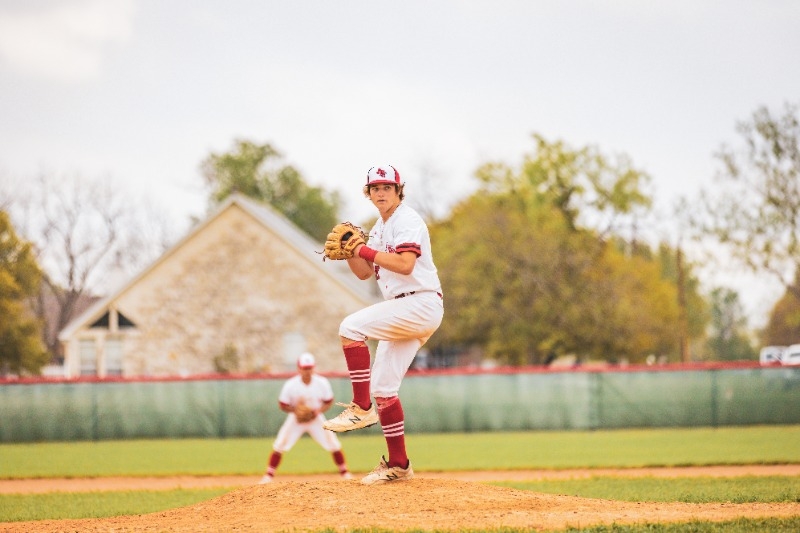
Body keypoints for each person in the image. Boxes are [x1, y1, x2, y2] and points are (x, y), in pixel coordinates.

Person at [323, 164, 444, 485]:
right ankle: (399, 465)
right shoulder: (378, 227)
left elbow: (405, 264)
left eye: (387, 187)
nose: (381, 192)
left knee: (351, 328)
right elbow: (364, 272)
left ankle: (361, 408)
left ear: (398, 190)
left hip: (420, 300)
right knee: (384, 390)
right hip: (404, 306)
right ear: (369, 193)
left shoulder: (407, 220)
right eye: (375, 188)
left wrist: (363, 248)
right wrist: (351, 251)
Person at [259, 352, 352, 483]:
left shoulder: (321, 382)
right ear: (299, 368)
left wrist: (317, 411)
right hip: (296, 420)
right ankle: (268, 475)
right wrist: (295, 410)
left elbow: (329, 401)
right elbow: (282, 404)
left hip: (316, 418)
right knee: (280, 443)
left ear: (313, 368)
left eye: (309, 368)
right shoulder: (291, 384)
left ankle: (345, 473)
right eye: (305, 368)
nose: (307, 371)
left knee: (332, 442)